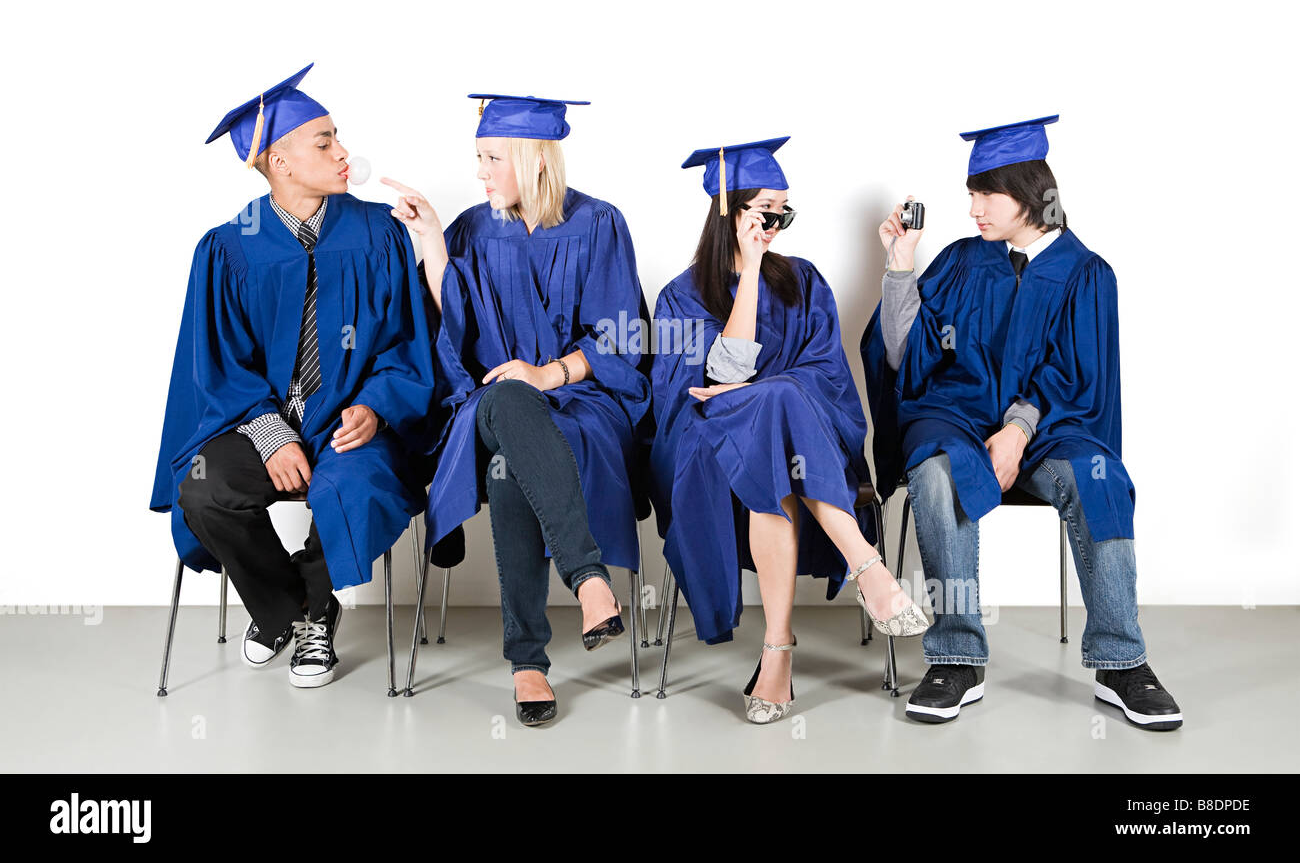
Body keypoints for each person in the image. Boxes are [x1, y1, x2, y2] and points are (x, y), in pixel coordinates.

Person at [861, 115, 1183, 730]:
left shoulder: (1085, 273)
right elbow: (903, 356)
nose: (974, 207)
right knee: (933, 470)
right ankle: (956, 656)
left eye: (988, 193)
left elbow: (1077, 375)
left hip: (1053, 431)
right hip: (954, 418)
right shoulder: (960, 261)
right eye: (971, 193)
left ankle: (1122, 664)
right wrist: (900, 265)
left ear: (1033, 193)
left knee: (1101, 477)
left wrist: (1018, 428)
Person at [150, 64, 435, 688]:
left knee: (353, 485)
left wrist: (377, 406)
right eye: (324, 142)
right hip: (261, 420)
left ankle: (301, 615)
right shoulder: (230, 248)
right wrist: (268, 431)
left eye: (339, 138)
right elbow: (217, 361)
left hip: (348, 423)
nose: (343, 154)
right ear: (278, 160)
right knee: (203, 485)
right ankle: (300, 610)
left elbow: (406, 342)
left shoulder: (378, 234)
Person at [383, 94, 652, 727]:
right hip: (496, 398)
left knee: (508, 465)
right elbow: (461, 338)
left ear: (534, 161)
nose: (479, 172)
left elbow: (621, 340)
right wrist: (431, 245)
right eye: (478, 157)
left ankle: (527, 661)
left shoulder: (600, 223)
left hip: (583, 400)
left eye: (491, 158)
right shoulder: (475, 228)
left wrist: (549, 373)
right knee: (505, 401)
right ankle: (589, 579)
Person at [649, 138, 928, 725]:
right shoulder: (681, 296)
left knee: (778, 412)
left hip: (796, 459)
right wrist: (748, 274)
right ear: (730, 215)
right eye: (764, 213)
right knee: (773, 405)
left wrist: (755, 394)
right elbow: (708, 386)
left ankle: (778, 652)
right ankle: (868, 567)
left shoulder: (803, 281)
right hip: (710, 461)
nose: (776, 225)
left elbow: (828, 379)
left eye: (784, 213)